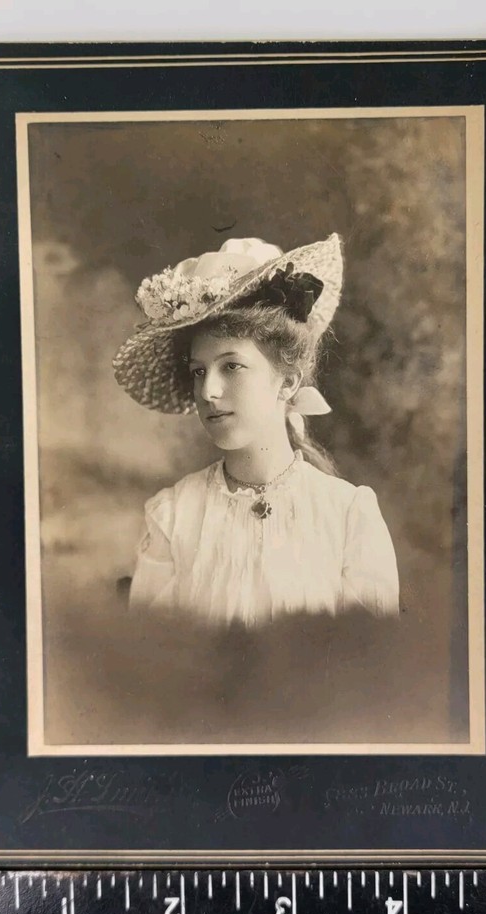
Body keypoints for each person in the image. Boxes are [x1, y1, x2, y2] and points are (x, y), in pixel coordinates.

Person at [112, 234, 399, 629]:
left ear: (287, 383)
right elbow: (152, 664)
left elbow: (374, 669)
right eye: (199, 371)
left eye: (231, 366)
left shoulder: (347, 514)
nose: (208, 391)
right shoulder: (173, 514)